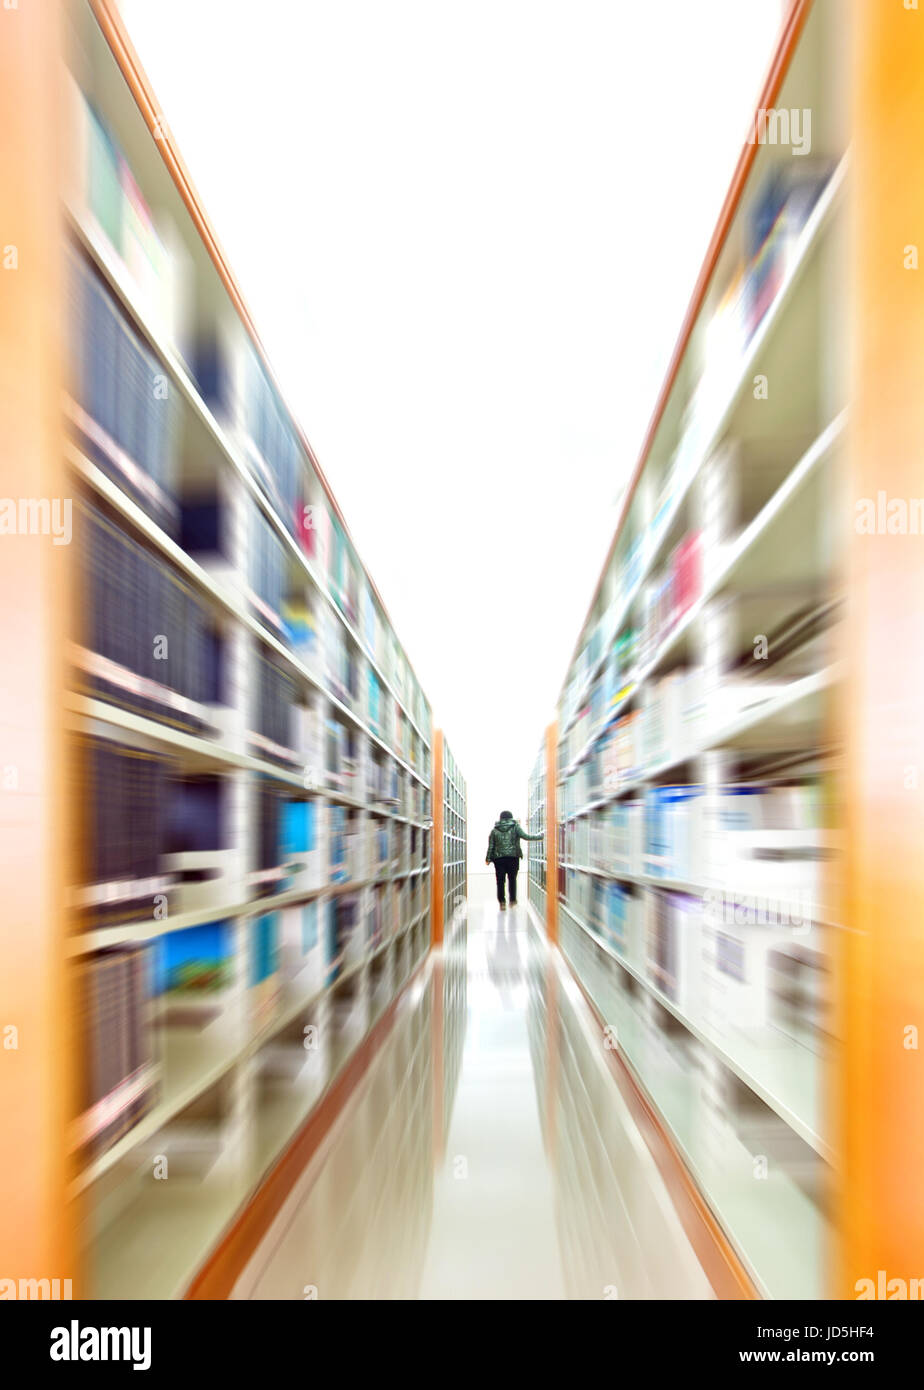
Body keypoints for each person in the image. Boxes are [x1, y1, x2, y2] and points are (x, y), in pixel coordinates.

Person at [485, 810, 542, 910]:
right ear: (511, 817)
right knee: (512, 879)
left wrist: (488, 858)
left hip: (499, 859)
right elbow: (526, 837)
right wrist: (541, 836)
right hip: (513, 858)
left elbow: (491, 846)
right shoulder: (515, 827)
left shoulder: (494, 830)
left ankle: (502, 902)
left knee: (500, 881)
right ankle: (512, 901)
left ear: (500, 818)